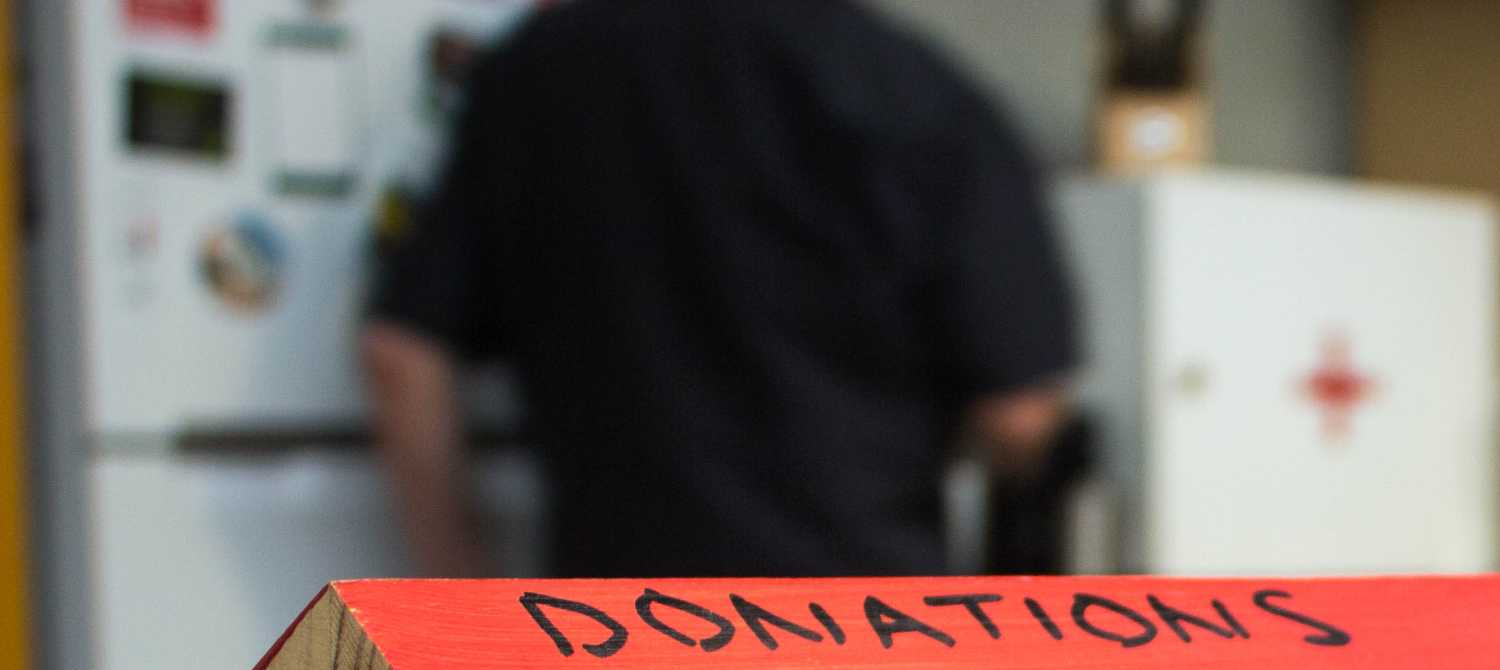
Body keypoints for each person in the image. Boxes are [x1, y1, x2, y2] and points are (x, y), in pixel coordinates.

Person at [362, 0, 1077, 580]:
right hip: (863, 621)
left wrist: (458, 592)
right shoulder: (909, 85)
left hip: (615, 630)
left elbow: (400, 351)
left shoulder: (538, 68)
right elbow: (1020, 416)